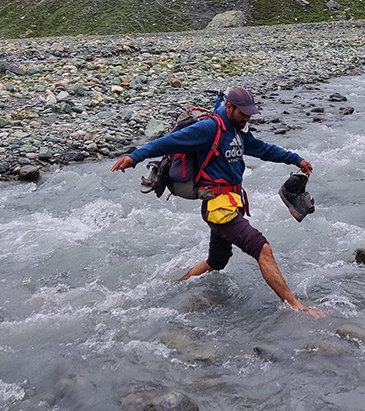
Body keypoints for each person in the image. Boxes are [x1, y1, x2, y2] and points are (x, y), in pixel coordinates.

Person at [112, 86, 324, 317]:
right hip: (218, 209)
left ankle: (175, 287)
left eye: (250, 113)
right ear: (229, 107)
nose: (248, 117)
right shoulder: (209, 128)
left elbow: (263, 149)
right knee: (263, 249)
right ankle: (299, 309)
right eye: (243, 113)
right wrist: (135, 156)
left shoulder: (237, 130)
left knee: (217, 261)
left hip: (230, 205)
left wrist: (296, 160)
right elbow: (168, 142)